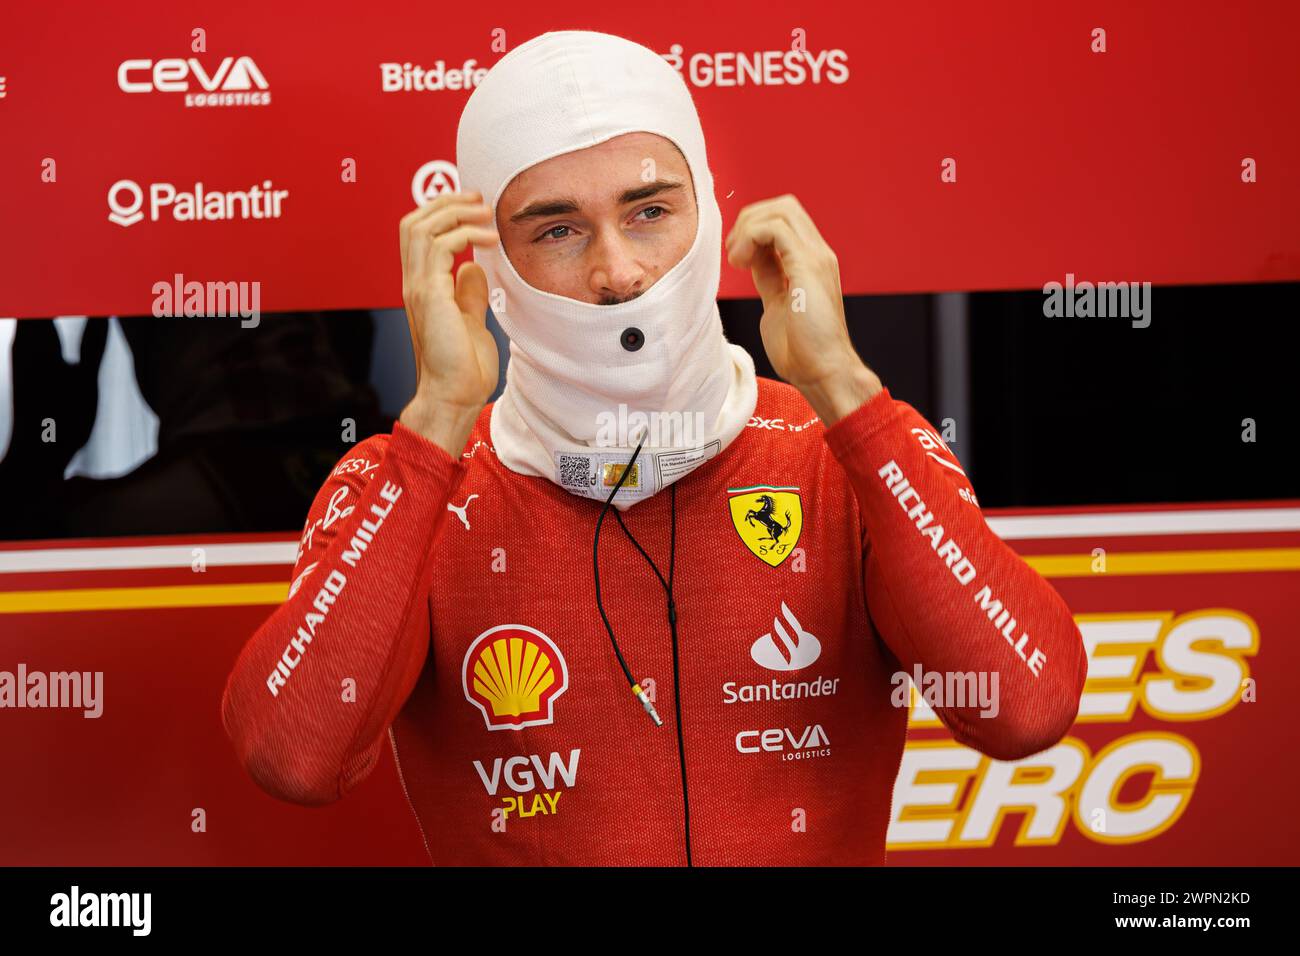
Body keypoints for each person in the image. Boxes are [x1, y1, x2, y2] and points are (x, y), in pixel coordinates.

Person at [221, 29, 1087, 865]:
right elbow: (296, 759)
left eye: (649, 211)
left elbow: (1028, 706)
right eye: (556, 229)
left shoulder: (840, 455)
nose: (618, 272)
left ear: (708, 212)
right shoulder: (407, 481)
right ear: (487, 261)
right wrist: (440, 416)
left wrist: (845, 388)